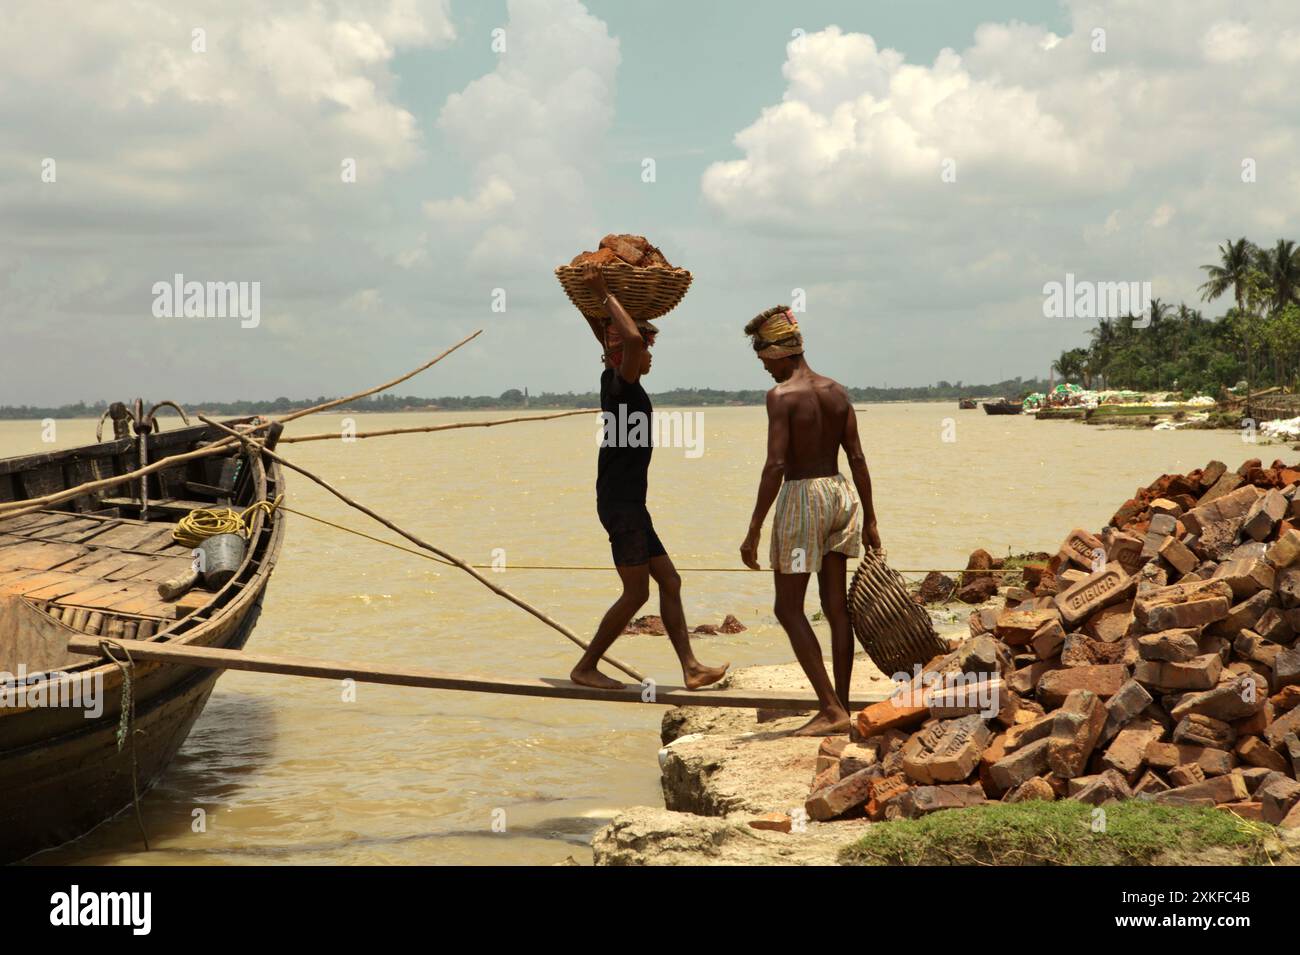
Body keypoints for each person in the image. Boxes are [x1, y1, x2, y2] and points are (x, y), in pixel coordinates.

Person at [569, 263, 729, 691]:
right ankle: (585, 667)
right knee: (636, 593)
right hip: (621, 505)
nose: (649, 354)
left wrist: (593, 307)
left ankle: (691, 668)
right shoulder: (621, 385)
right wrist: (603, 293)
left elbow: (619, 340)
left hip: (630, 503)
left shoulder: (614, 378)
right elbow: (633, 339)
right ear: (627, 356)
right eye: (644, 350)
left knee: (670, 582)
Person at [739, 306, 881, 735]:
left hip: (803, 498)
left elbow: (776, 465)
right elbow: (856, 457)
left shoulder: (781, 397)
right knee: (835, 608)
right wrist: (871, 520)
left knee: (787, 606)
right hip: (840, 494)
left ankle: (830, 708)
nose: (764, 367)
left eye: (763, 357)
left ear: (778, 350)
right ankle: (839, 704)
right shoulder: (837, 391)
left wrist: (753, 528)